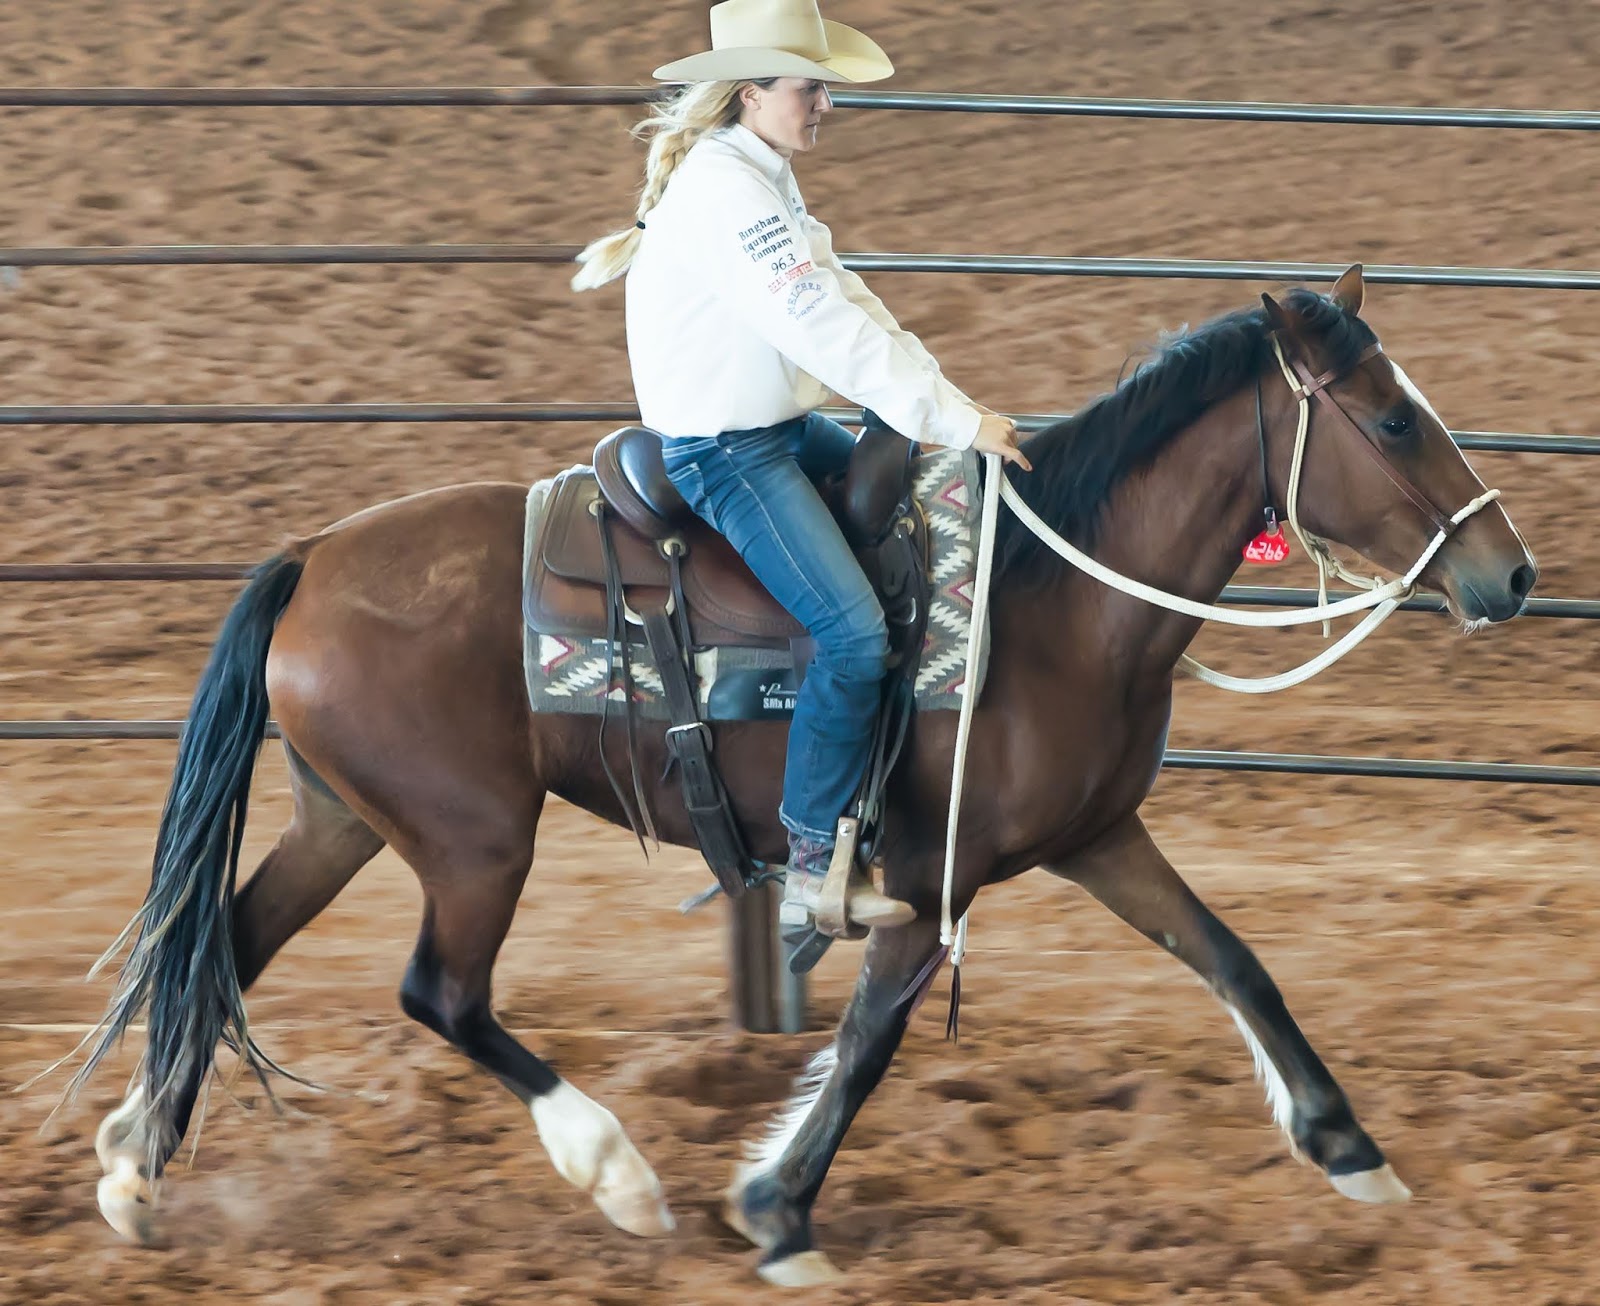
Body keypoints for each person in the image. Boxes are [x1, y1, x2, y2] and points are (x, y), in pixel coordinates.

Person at [573, 0, 1030, 963]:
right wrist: (951, 417)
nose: (825, 102)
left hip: (773, 429)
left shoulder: (756, 177)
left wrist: (944, 406)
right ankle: (812, 861)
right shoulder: (732, 196)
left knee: (929, 498)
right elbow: (822, 325)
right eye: (810, 87)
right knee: (854, 633)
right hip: (730, 454)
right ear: (752, 93)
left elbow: (847, 298)